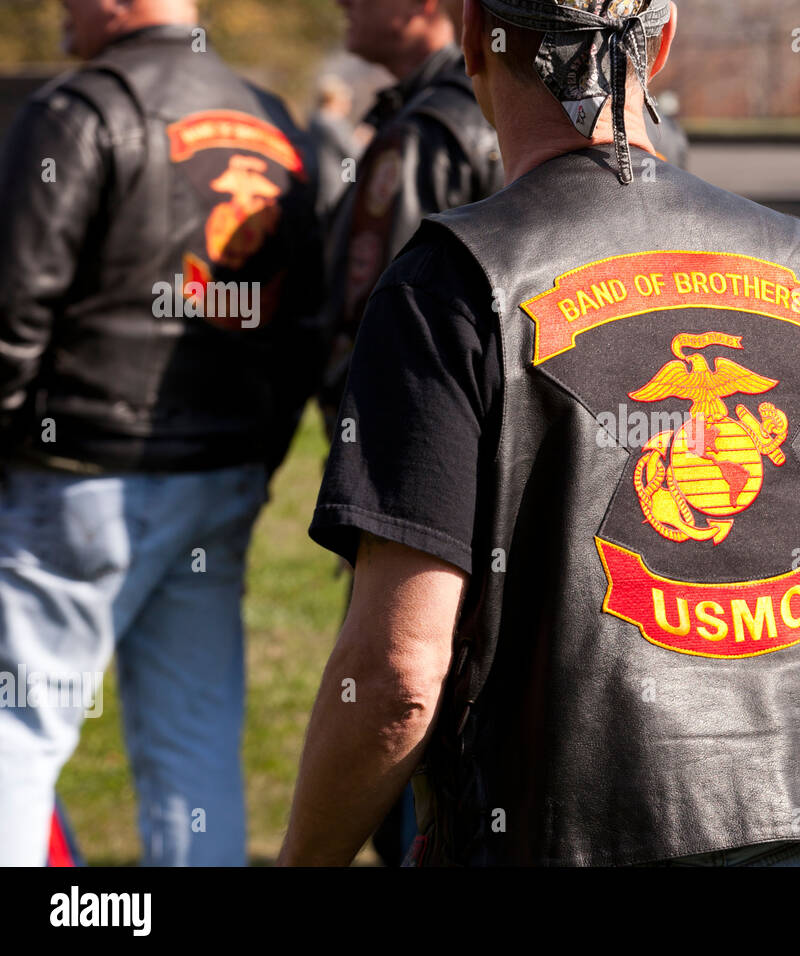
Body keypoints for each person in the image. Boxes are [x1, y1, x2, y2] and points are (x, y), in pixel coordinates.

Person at [279, 0, 800, 867]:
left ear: (472, 34)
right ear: (662, 42)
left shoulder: (451, 283)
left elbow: (400, 671)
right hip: (799, 829)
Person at [0, 0, 324, 866]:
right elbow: (304, 324)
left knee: (17, 731)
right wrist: (257, 457)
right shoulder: (271, 118)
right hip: (214, 476)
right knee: (194, 742)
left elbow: (12, 314)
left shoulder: (78, 110)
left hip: (75, 475)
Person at [320, 0, 503, 439]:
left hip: (405, 436)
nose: (343, 3)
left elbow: (381, 319)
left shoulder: (430, 128)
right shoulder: (485, 100)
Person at [309, 74, 360, 212]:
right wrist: (360, 139)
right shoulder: (333, 122)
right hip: (336, 184)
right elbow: (354, 154)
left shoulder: (314, 119)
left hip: (317, 179)